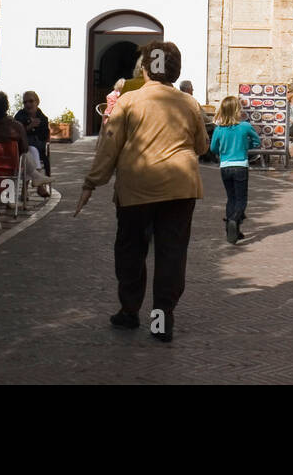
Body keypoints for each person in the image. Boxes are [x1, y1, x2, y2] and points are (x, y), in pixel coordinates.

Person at [75, 40, 209, 343]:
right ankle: (162, 319)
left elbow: (108, 147)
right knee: (171, 254)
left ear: (145, 68)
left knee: (130, 250)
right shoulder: (189, 103)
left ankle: (129, 310)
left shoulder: (128, 101)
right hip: (180, 188)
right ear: (174, 70)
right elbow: (202, 146)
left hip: (136, 188)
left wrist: (91, 182)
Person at [0, 91, 53, 196]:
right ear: (7, 107)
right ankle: (11, 197)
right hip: (8, 166)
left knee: (28, 153)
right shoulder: (15, 126)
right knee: (25, 154)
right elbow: (24, 148)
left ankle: (5, 195)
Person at [208, 95, 259, 243]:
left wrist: (222, 151)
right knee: (241, 199)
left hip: (225, 167)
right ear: (237, 110)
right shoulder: (245, 126)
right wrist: (245, 147)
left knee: (231, 198)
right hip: (241, 165)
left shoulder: (218, 130)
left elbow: (213, 148)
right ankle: (234, 220)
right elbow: (256, 141)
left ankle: (233, 231)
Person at [14, 90, 52, 194]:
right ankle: (38, 186)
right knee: (31, 151)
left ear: (37, 102)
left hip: (38, 148)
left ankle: (25, 189)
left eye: (30, 101)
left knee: (32, 151)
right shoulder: (19, 116)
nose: (28, 104)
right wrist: (30, 127)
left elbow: (45, 136)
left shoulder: (43, 118)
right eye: (25, 102)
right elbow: (15, 133)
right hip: (21, 149)